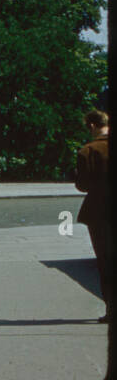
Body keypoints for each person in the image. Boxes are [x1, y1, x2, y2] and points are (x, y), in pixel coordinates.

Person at [76, 110, 110, 322]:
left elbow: (83, 185)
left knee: (106, 261)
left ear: (91, 126)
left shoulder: (88, 151)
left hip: (100, 212)